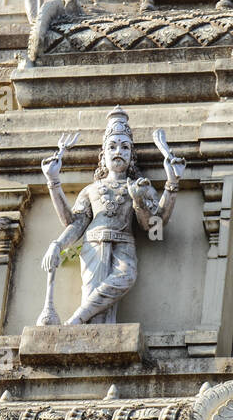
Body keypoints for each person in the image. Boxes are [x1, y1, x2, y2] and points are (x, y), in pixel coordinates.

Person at [41, 107, 182, 325]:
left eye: (125, 147)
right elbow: (74, 223)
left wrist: (164, 187)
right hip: (93, 246)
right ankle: (82, 328)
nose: (119, 151)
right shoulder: (91, 190)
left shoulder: (139, 186)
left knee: (126, 276)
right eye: (112, 146)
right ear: (103, 154)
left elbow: (154, 225)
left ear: (131, 156)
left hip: (124, 245)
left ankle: (75, 321)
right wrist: (53, 181)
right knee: (96, 312)